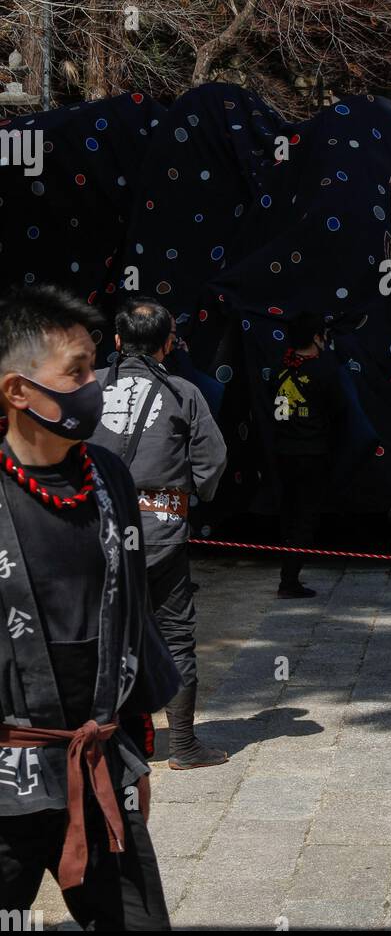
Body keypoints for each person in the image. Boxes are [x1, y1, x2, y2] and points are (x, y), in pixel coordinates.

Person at [0, 284, 177, 930]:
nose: (92, 386)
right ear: (18, 391)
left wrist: (136, 747)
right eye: (75, 373)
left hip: (97, 762)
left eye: (92, 368)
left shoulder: (109, 476)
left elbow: (134, 612)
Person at [92, 298, 228, 771]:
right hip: (162, 530)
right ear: (169, 344)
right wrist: (193, 493)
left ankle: (103, 742)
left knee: (100, 633)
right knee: (174, 634)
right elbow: (213, 461)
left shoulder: (87, 387)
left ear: (115, 341)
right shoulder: (184, 393)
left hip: (97, 531)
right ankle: (184, 746)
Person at [271, 313, 347, 600]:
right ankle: (288, 580)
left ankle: (288, 574)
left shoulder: (279, 365)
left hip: (283, 451)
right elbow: (339, 411)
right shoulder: (325, 369)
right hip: (312, 453)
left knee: (289, 515)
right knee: (304, 517)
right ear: (317, 337)